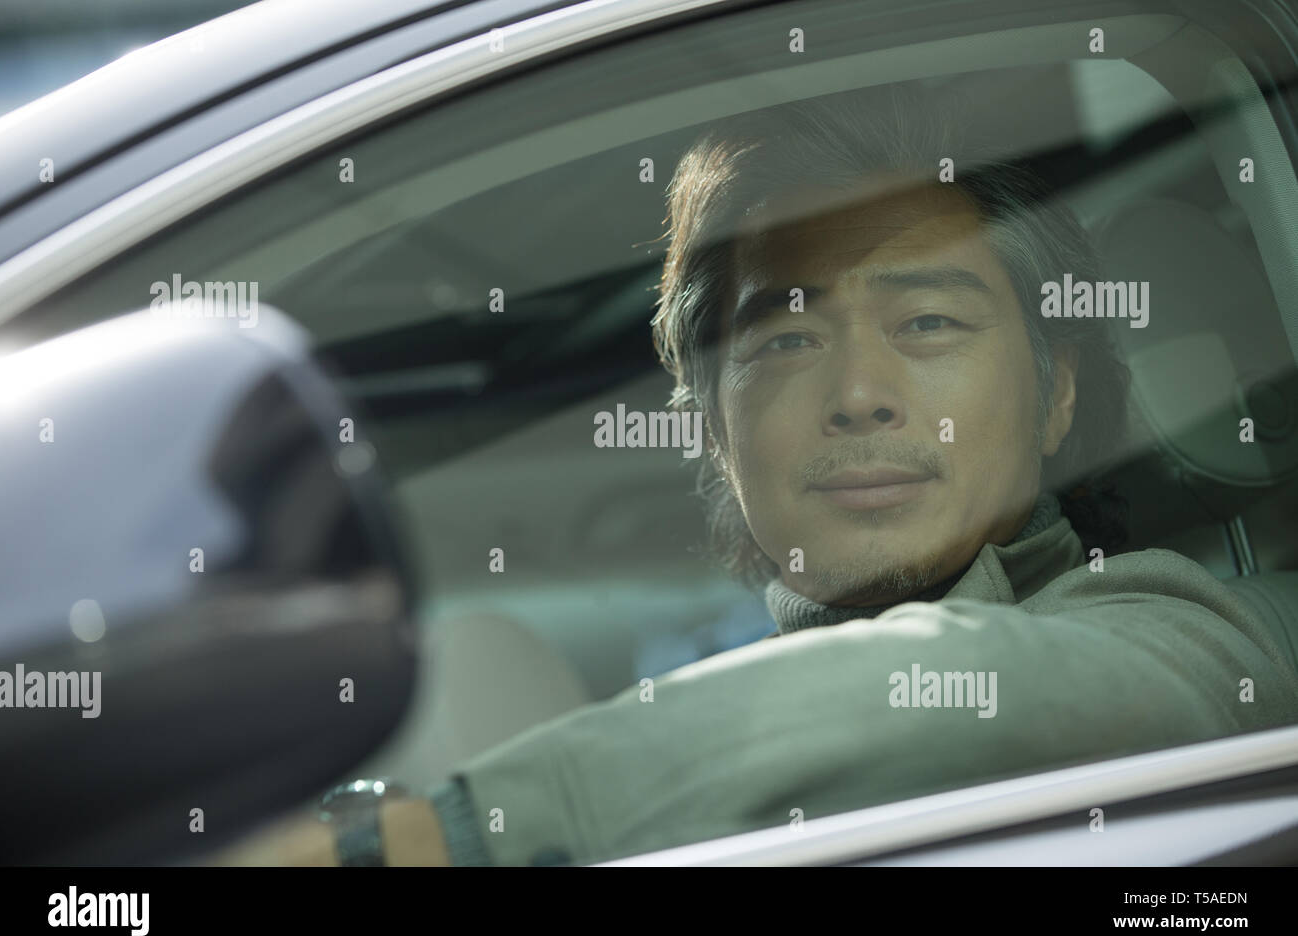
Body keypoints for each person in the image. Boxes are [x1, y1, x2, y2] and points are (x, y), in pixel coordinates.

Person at [212, 85, 1298, 867]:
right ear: (716, 432)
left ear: (1058, 392)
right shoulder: (715, 768)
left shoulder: (1191, 630)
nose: (857, 390)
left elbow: (984, 679)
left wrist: (439, 834)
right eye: (782, 339)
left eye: (926, 320)